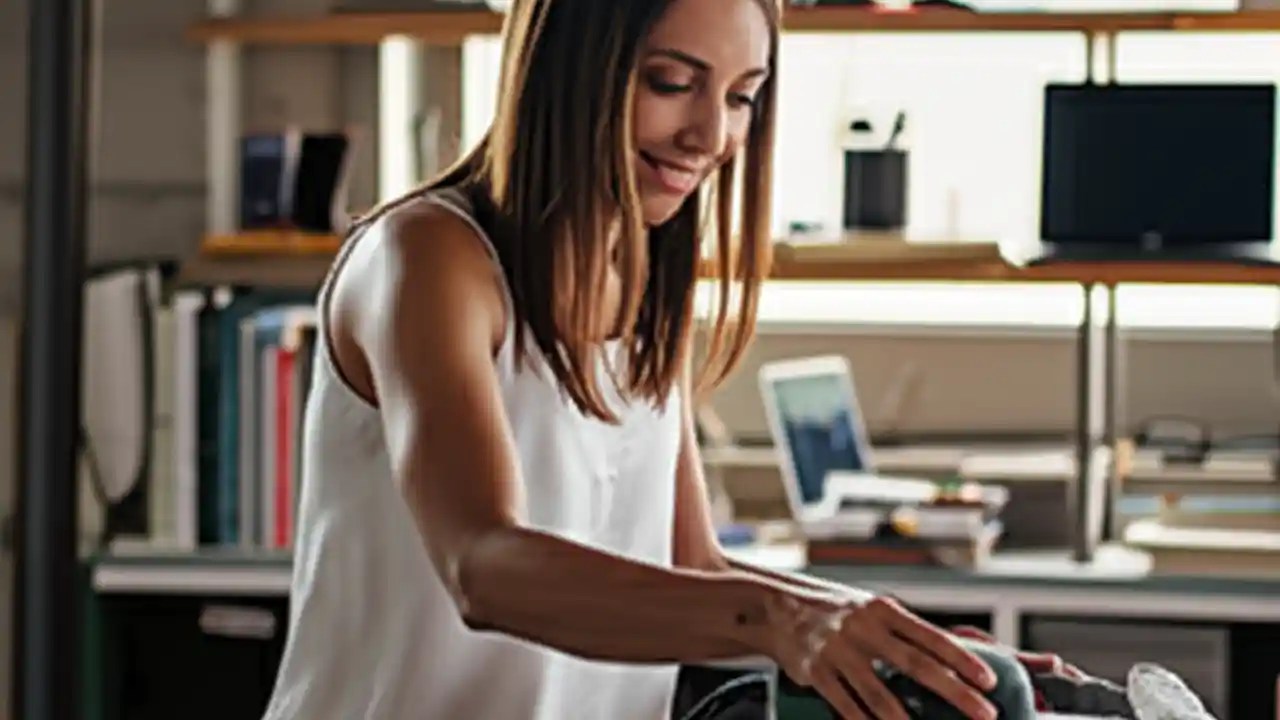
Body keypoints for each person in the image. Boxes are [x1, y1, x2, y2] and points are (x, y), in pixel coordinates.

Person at [261, 0, 1014, 718]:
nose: (710, 136)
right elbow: (482, 565)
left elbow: (692, 568)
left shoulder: (645, 273)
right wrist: (787, 618)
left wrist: (898, 645)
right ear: (568, 65)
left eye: (741, 98)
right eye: (672, 83)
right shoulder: (427, 255)